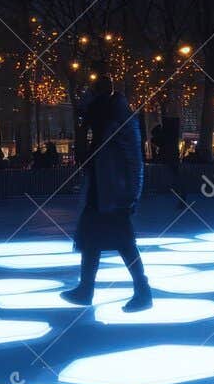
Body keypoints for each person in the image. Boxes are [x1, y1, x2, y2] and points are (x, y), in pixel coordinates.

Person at [63, 74, 152, 312]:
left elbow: (135, 161)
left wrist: (132, 194)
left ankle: (142, 290)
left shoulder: (119, 119)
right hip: (103, 191)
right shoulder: (106, 118)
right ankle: (87, 288)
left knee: (122, 242)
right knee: (92, 239)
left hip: (114, 194)